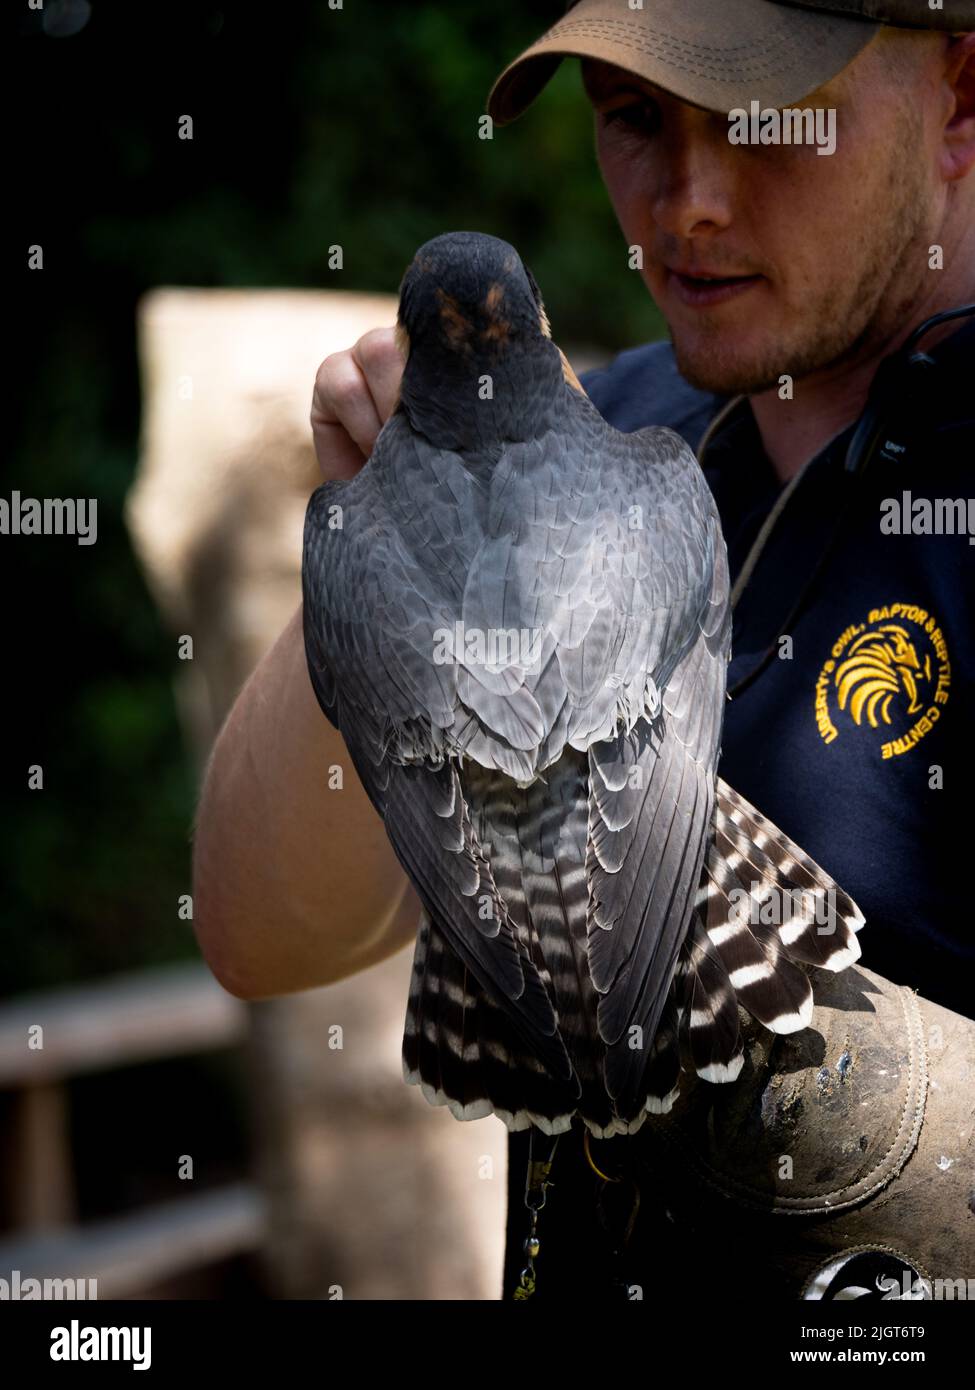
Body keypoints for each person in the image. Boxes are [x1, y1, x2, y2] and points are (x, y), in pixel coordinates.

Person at [192, 1, 975, 1299]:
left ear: (959, 94)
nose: (689, 203)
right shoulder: (594, 423)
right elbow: (263, 933)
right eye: (632, 120)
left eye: (758, 119)